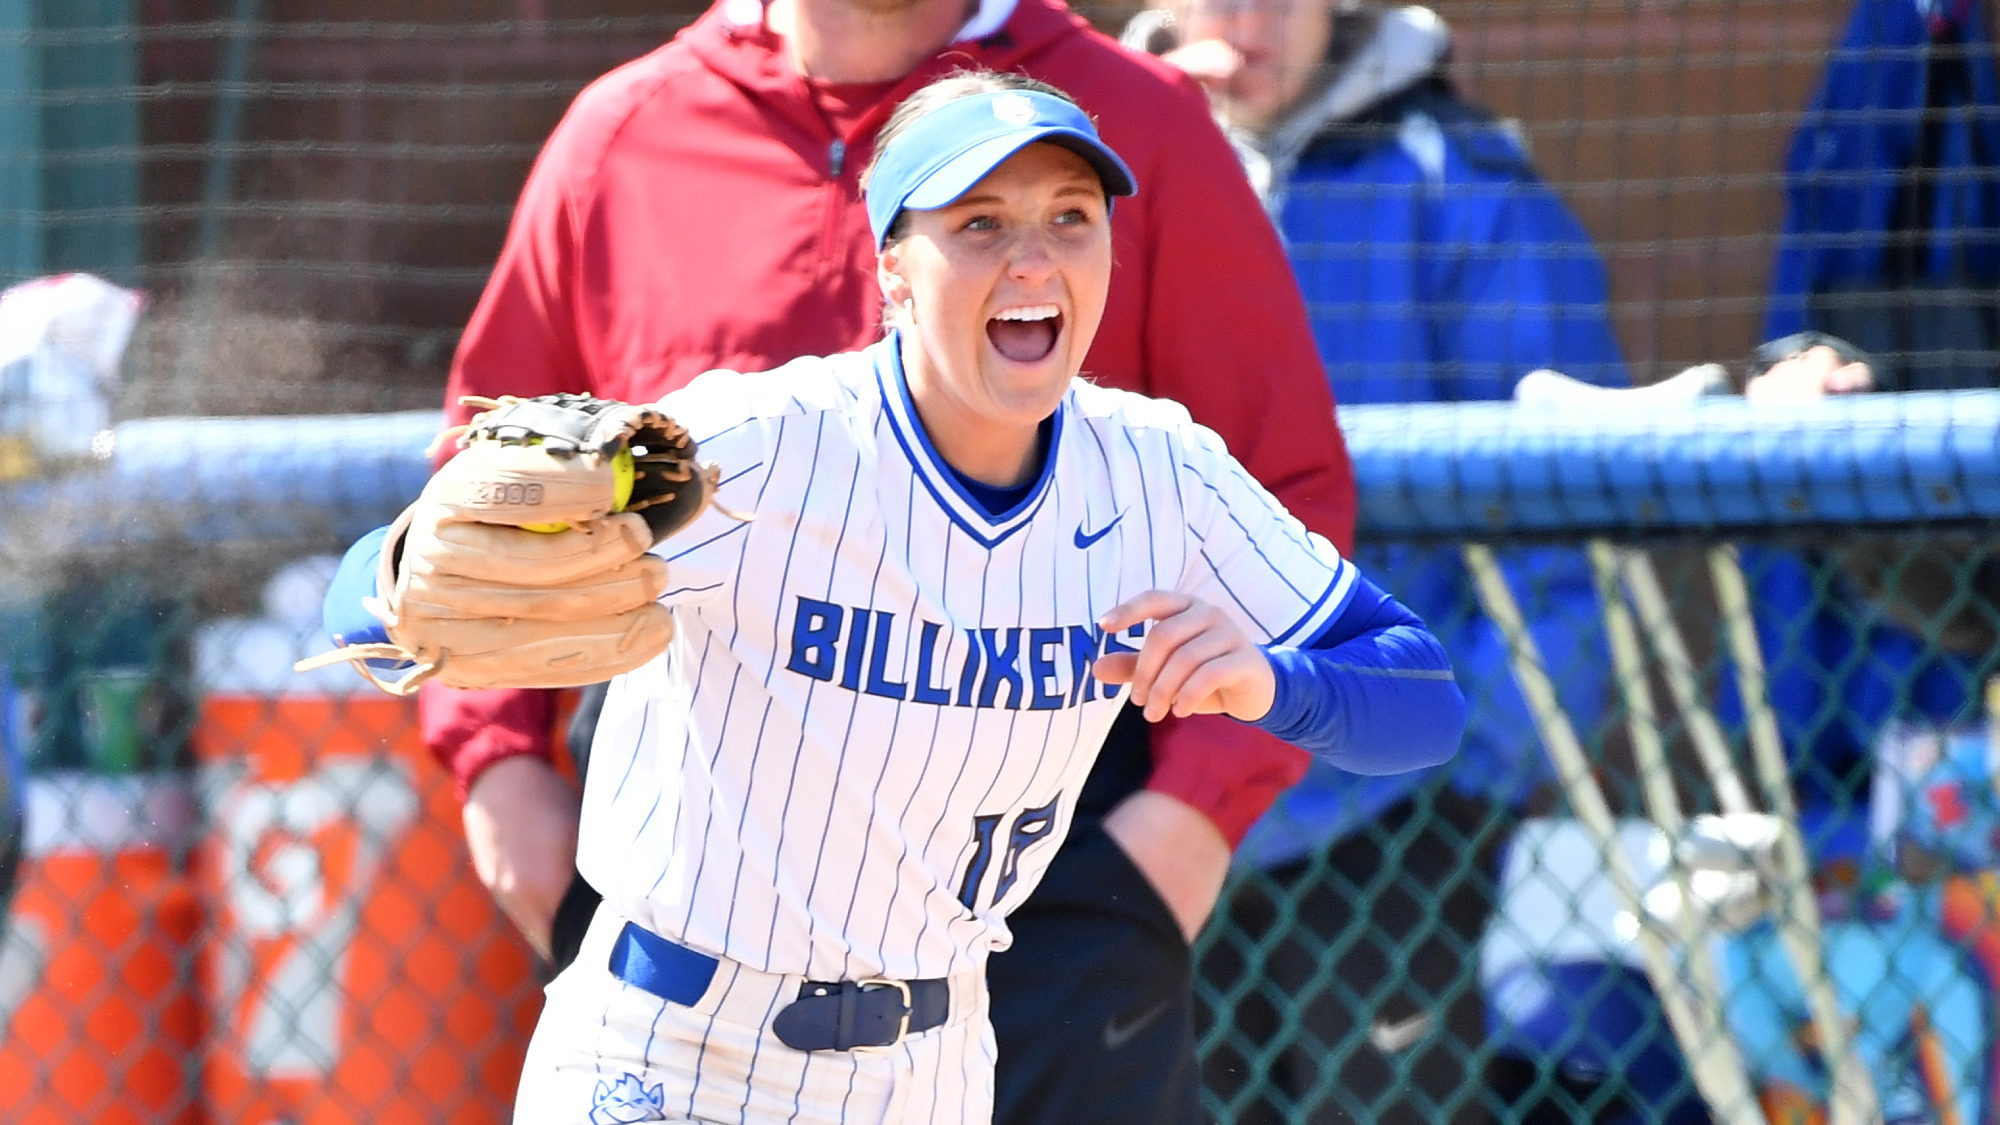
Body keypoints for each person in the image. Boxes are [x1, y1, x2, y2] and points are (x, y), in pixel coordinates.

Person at [319, 73, 1465, 1124]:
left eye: (1071, 218)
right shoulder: (755, 447)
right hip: (669, 1054)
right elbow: (380, 592)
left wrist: (1270, 683)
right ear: (889, 269)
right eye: (978, 226)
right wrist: (398, 576)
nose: (1034, 260)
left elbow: (1419, 699)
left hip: (929, 1065)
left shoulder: (1158, 472)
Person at [1123, 2, 1626, 1121]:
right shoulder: (1097, 164)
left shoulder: (1454, 177)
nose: (1243, 23)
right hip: (1142, 781)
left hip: (1385, 804)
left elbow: (1565, 488)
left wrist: (1481, 767)